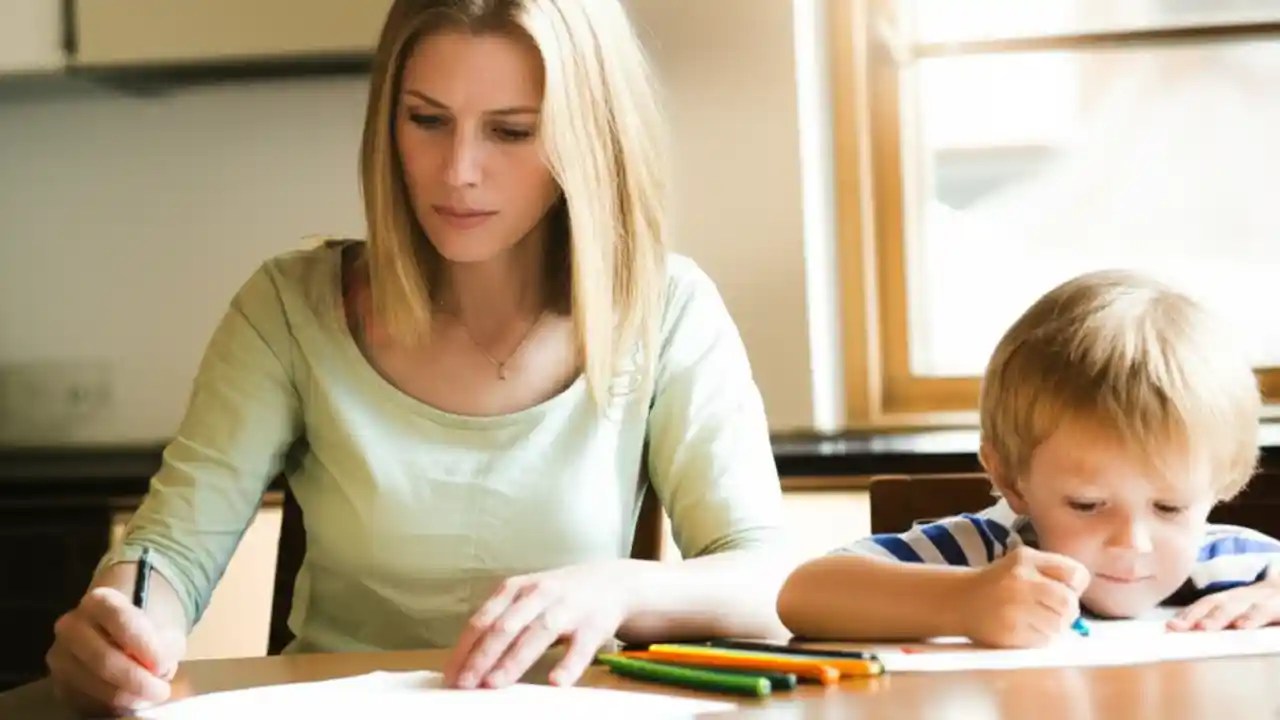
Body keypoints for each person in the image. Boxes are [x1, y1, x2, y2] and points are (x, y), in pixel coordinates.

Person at [45, 1, 790, 714]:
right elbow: (169, 553)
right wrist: (122, 632)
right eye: (427, 120)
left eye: (511, 131)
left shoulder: (667, 310)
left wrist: (618, 589)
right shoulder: (287, 307)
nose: (458, 169)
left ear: (587, 139)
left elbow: (768, 581)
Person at [777, 270, 1280, 648]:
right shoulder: (987, 555)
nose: (1133, 542)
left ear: (1221, 486)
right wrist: (963, 602)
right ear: (1012, 480)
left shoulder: (1228, 564)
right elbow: (803, 593)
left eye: (1170, 508)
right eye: (1087, 504)